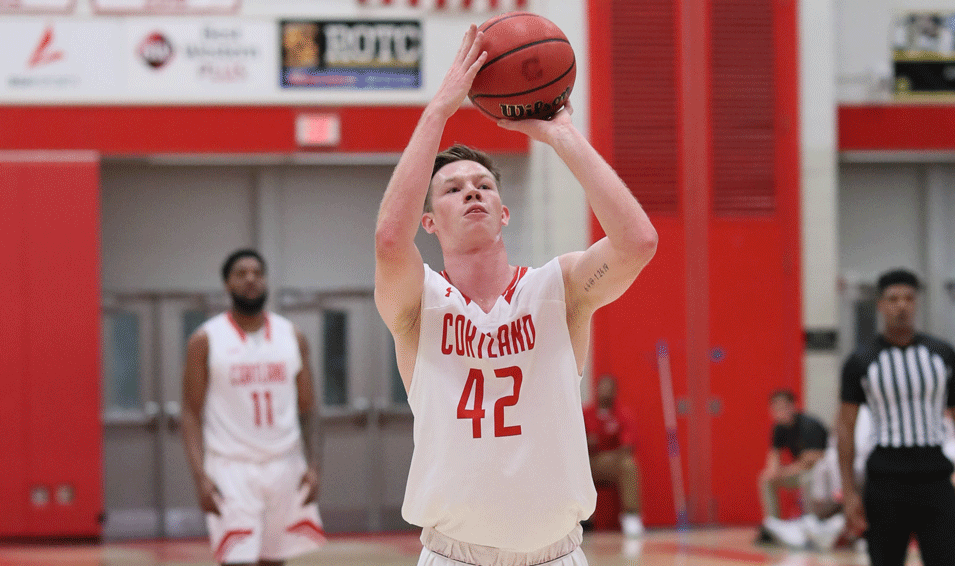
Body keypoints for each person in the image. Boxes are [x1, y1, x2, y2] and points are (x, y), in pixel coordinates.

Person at [373, 25, 658, 566]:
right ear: (428, 221)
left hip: (557, 554)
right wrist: (438, 110)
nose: (472, 191)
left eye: (483, 184)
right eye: (452, 189)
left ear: (504, 212)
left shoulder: (560, 290)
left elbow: (638, 242)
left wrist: (563, 136)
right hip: (454, 556)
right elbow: (390, 240)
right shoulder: (418, 308)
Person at [836, 268, 955, 566]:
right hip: (885, 480)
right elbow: (845, 427)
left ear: (916, 303)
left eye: (908, 298)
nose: (901, 306)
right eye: (893, 299)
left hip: (935, 476)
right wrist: (850, 492)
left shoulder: (942, 354)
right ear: (880, 305)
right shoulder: (861, 360)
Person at [181, 249, 324, 566]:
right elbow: (190, 412)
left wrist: (314, 466)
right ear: (227, 284)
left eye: (257, 273)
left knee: (276, 561)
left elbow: (309, 408)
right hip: (231, 467)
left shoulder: (292, 336)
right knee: (238, 560)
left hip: (285, 463)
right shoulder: (205, 340)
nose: (250, 279)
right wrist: (199, 476)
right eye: (240, 273)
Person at [756, 390, 831, 547]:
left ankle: (812, 529)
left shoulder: (810, 425)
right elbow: (774, 454)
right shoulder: (779, 428)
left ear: (793, 406)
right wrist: (773, 471)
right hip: (797, 470)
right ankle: (773, 526)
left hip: (821, 473)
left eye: (783, 407)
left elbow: (810, 461)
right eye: (775, 408)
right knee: (766, 479)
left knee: (808, 479)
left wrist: (783, 471)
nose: (779, 412)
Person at [583, 375, 643, 537]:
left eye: (609, 388)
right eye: (602, 388)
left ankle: (631, 516)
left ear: (615, 392)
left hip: (613, 462)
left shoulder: (623, 414)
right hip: (590, 463)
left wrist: (609, 455)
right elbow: (574, 444)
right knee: (575, 468)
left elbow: (627, 446)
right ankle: (582, 519)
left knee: (628, 465)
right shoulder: (586, 413)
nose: (605, 392)